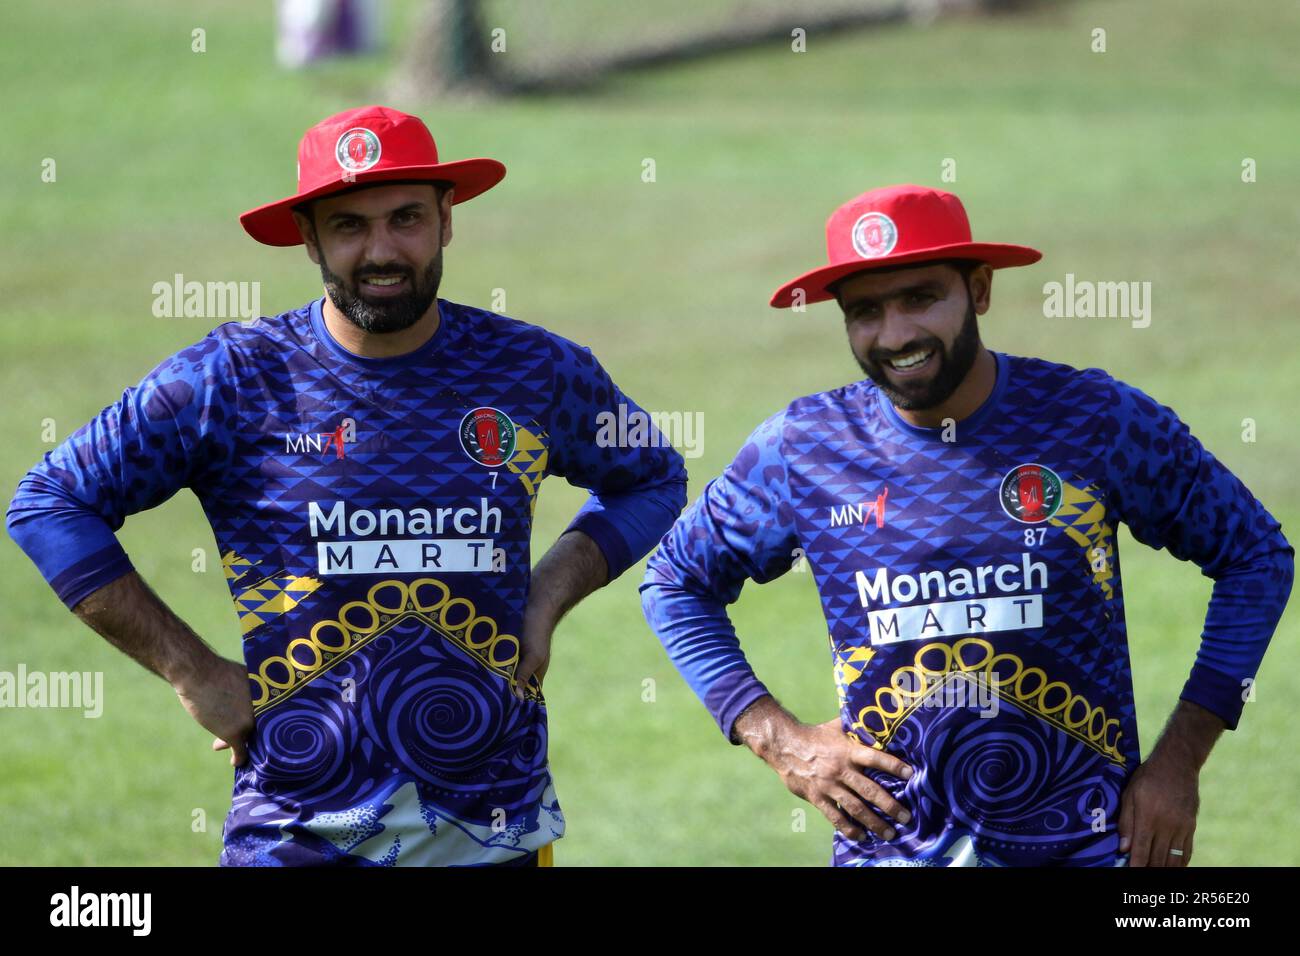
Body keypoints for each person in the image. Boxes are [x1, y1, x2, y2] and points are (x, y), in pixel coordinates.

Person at [7, 105, 687, 866]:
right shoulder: (233, 380)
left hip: (494, 834)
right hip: (295, 836)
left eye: (405, 219)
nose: (381, 250)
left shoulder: (532, 370)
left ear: (446, 220)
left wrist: (548, 593)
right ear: (308, 238)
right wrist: (191, 671)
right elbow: (50, 502)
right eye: (348, 226)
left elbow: (652, 476)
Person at [640, 183, 1292, 867]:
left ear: (979, 289)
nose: (895, 335)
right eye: (866, 311)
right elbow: (674, 581)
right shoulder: (803, 447)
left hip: (1090, 849)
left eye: (921, 298)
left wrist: (1181, 762)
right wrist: (778, 738)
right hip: (890, 852)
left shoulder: (1094, 420)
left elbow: (1256, 554)